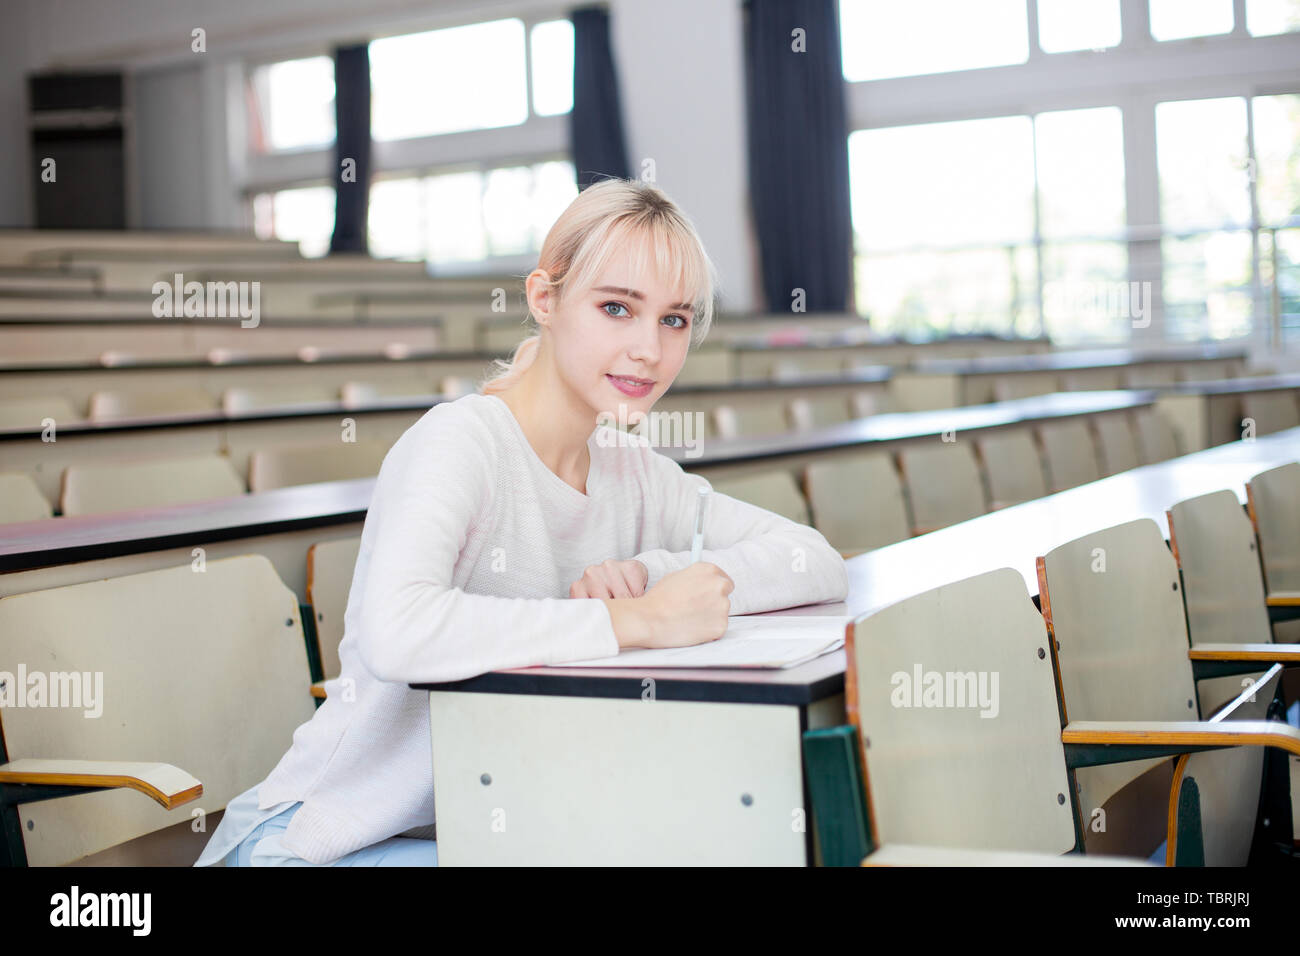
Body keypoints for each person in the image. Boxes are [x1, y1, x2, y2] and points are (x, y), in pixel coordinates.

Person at [195, 177, 849, 866]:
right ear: (545, 299)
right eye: (617, 308)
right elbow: (397, 629)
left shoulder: (634, 472)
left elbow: (814, 559)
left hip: (484, 832)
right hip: (317, 841)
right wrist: (637, 621)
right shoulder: (461, 443)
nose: (650, 350)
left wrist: (656, 574)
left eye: (675, 320)